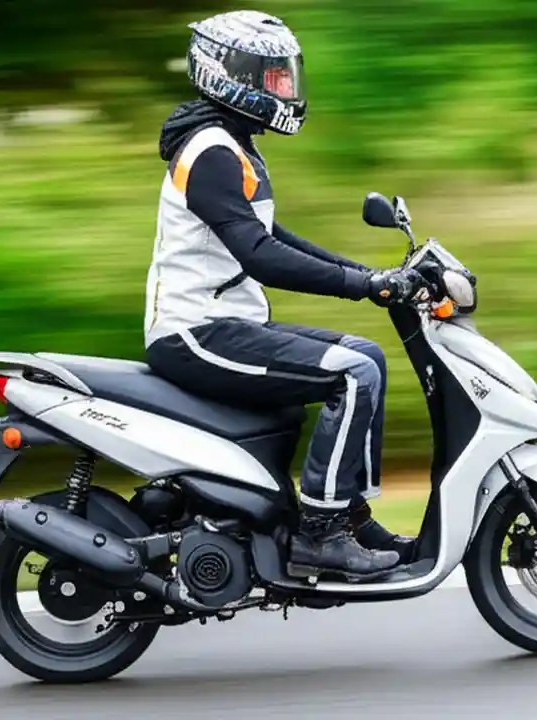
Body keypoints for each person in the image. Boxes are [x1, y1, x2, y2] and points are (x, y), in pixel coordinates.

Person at [143, 10, 422, 579]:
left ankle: (347, 514)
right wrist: (360, 285)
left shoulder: (232, 144)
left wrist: (373, 276)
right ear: (231, 75)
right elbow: (260, 256)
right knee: (353, 374)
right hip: (195, 332)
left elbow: (274, 237)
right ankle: (319, 535)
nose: (287, 89)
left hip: (228, 324)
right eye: (275, 78)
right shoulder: (211, 152)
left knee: (366, 357)